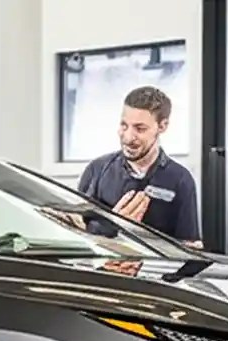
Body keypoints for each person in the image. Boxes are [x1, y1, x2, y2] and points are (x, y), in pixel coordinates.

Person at [77, 86, 203, 249]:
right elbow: (75, 231)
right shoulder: (97, 170)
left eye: (140, 129)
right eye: (124, 125)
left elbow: (189, 246)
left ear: (162, 126)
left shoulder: (181, 180)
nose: (128, 137)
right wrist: (114, 225)